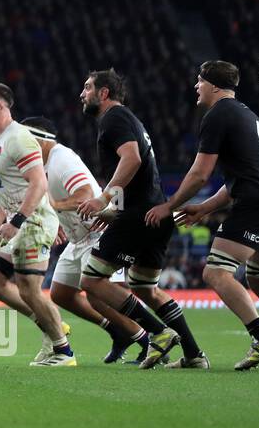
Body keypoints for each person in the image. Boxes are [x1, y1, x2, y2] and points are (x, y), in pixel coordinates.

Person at [146, 61, 259, 370]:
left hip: (256, 202)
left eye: (199, 81)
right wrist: (204, 208)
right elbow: (239, 176)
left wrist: (169, 206)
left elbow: (200, 173)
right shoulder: (246, 113)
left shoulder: (217, 114)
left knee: (215, 272)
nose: (196, 86)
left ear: (212, 85)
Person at [76, 69, 204, 369]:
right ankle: (194, 355)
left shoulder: (113, 118)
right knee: (145, 288)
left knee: (92, 281)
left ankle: (159, 333)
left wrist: (103, 198)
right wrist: (114, 211)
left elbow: (131, 159)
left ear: (104, 93)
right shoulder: (128, 119)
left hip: (139, 214)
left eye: (87, 88)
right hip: (152, 213)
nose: (82, 94)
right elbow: (138, 170)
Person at [19, 117, 150, 365]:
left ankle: (147, 340)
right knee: (61, 293)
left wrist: (52, 205)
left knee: (97, 294)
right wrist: (56, 221)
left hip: (99, 232)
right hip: (78, 237)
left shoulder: (62, 159)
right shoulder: (42, 164)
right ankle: (118, 333)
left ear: (41, 138)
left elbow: (86, 196)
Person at [0, 84, 74, 366]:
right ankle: (49, 323)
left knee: (29, 288)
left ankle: (63, 351)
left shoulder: (19, 138)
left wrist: (16, 221)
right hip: (17, 222)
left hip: (35, 222)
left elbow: (39, 183)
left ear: (1, 106)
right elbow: (5, 187)